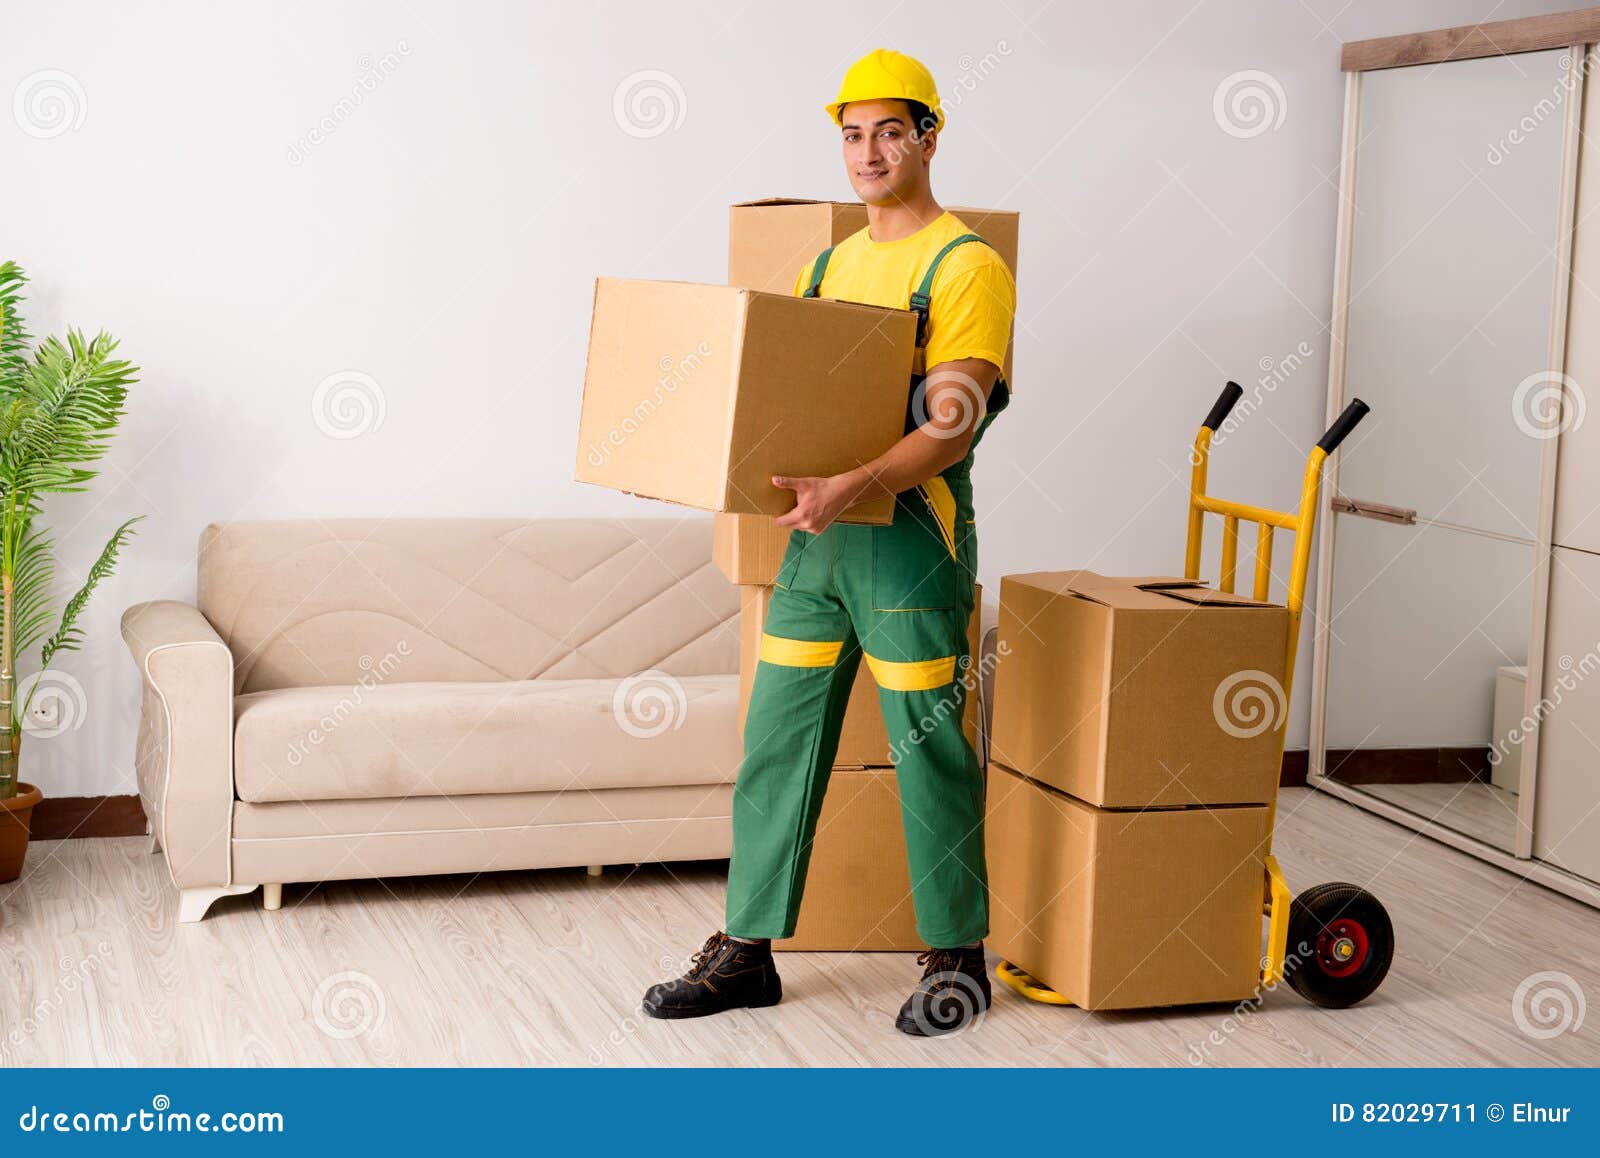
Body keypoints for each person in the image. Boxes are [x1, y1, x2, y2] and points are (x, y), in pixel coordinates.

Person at [643, 48, 1015, 1037]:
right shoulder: (828, 265)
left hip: (910, 544)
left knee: (927, 749)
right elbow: (796, 398)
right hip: (818, 545)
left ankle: (957, 957)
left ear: (928, 137)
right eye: (853, 135)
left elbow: (952, 424)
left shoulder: (965, 266)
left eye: (890, 131)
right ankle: (747, 950)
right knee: (777, 739)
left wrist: (859, 481)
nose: (868, 153)